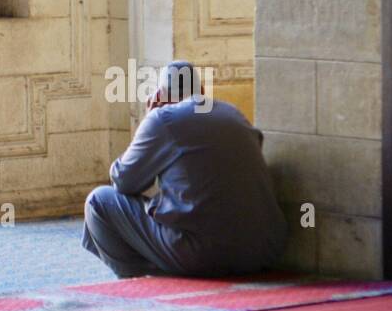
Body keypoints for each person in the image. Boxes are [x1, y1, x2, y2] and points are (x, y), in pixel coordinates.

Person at [82, 61, 287, 279]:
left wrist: (147, 123)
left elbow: (124, 181)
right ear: (201, 91)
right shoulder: (233, 113)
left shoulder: (162, 119)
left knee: (98, 202)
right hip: (265, 249)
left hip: (204, 255)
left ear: (159, 95)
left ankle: (145, 279)